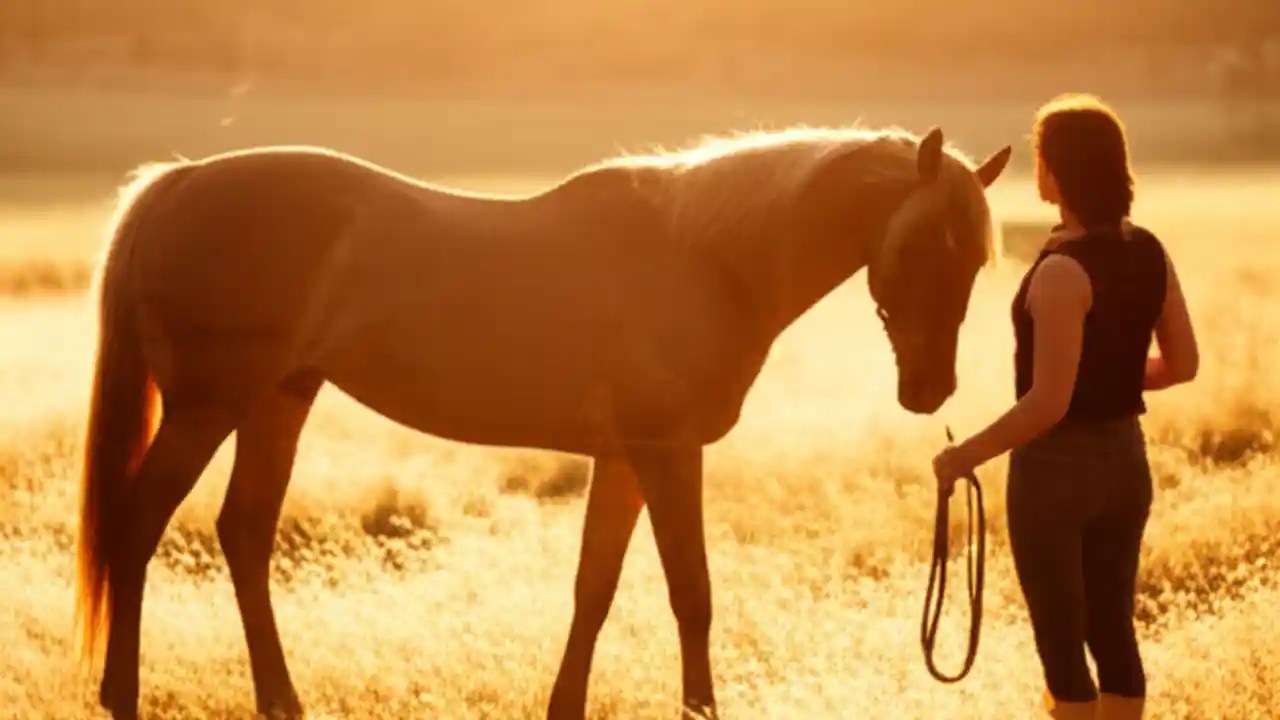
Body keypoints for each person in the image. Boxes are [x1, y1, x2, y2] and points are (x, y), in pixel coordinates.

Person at [931, 93, 1199, 720]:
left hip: (1055, 475)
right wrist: (1105, 377)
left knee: (1061, 646)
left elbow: (1048, 404)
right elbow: (1182, 366)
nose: (1037, 168)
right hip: (1127, 466)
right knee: (1113, 631)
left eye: (1041, 156)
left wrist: (960, 455)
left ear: (1060, 170)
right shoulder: (1150, 250)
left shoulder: (1059, 273)